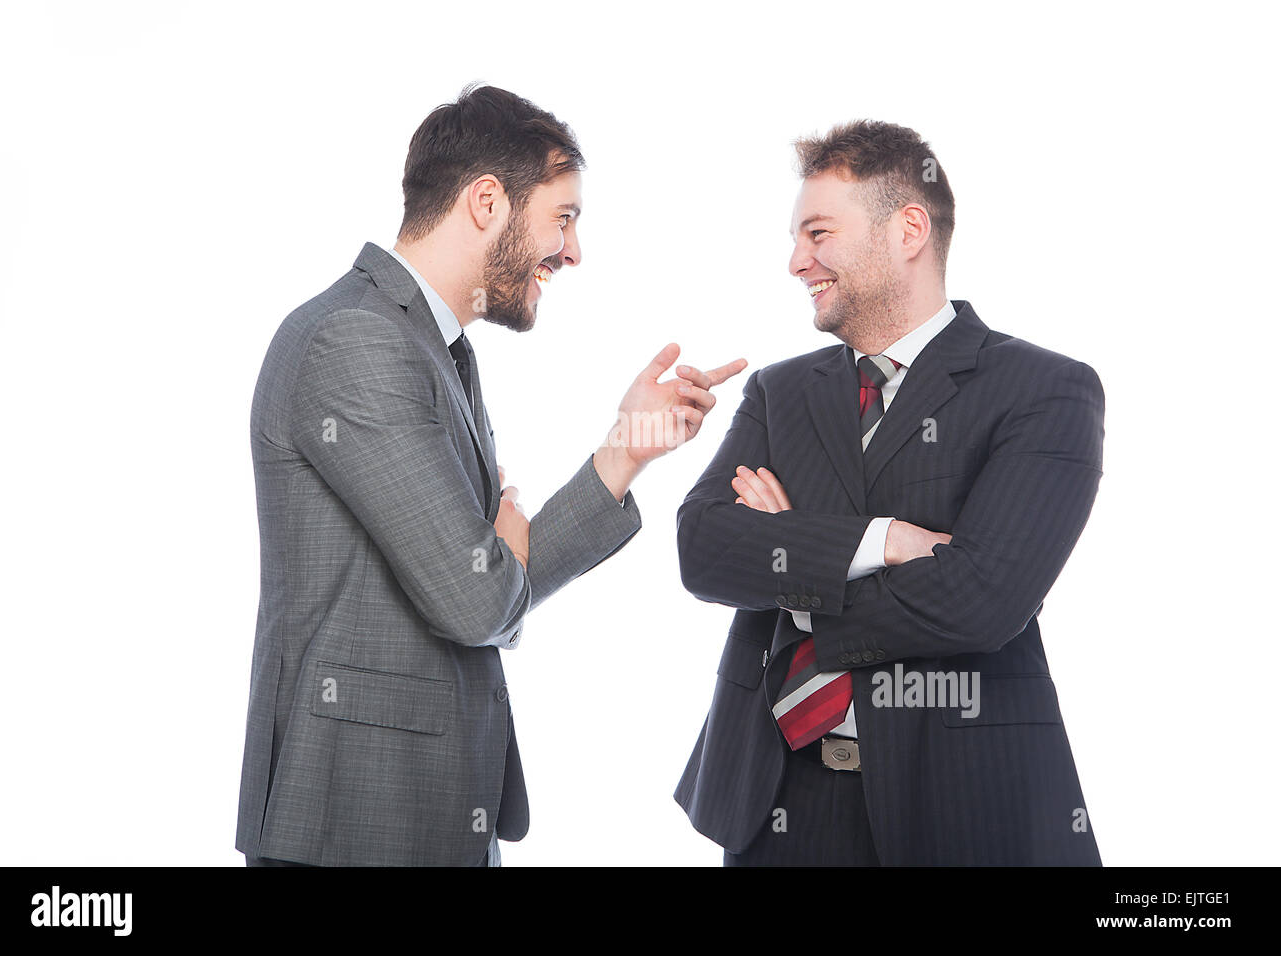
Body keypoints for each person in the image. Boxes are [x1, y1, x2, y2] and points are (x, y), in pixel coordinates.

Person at [236, 84, 745, 866]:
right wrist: (493, 557)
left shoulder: (435, 348)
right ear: (485, 202)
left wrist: (626, 450)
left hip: (431, 815)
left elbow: (487, 582)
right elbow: (479, 600)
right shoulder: (358, 340)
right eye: (562, 217)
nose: (572, 251)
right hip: (359, 825)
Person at [674, 120, 1104, 865]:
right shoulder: (779, 392)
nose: (795, 262)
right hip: (781, 807)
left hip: (966, 808)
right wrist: (885, 543)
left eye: (818, 233)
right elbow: (704, 550)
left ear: (908, 229)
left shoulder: (1045, 390)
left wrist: (796, 573)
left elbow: (981, 600)